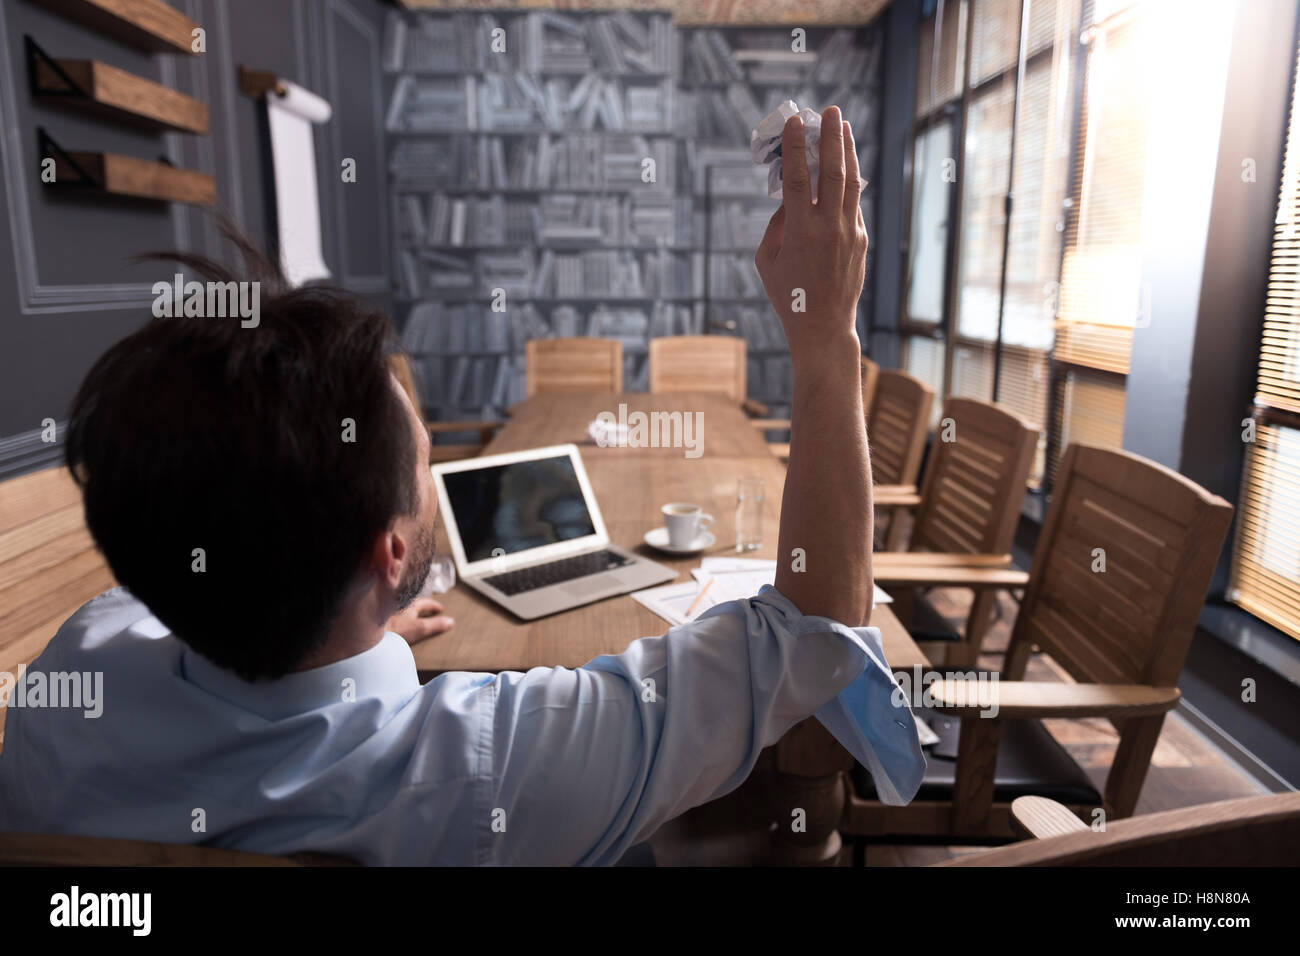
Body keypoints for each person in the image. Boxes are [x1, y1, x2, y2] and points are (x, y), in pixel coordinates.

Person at [0, 107, 924, 865]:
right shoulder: (492, 774)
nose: (433, 471)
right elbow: (815, 636)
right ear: (391, 551)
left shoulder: (79, 667)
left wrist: (346, 617)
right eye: (423, 462)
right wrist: (825, 336)